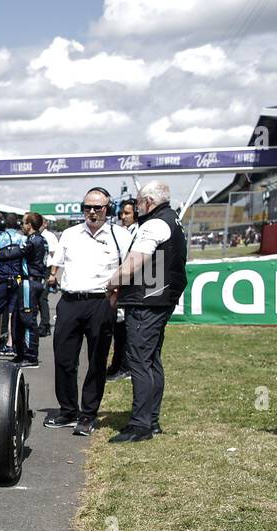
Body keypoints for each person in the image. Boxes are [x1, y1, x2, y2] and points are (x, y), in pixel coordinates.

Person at [44, 187, 133, 437]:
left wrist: (117, 297)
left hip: (101, 303)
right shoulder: (70, 234)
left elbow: (132, 267)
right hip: (70, 301)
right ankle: (67, 410)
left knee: (96, 360)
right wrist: (53, 279)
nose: (92, 212)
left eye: (98, 207)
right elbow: (58, 265)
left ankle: (88, 414)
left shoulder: (121, 235)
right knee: (63, 359)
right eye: (87, 207)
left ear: (108, 209)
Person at [106, 181, 187, 443]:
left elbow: (133, 264)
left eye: (139, 202)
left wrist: (110, 283)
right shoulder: (173, 220)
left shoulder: (153, 224)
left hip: (147, 301)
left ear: (149, 202)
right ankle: (150, 421)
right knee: (152, 361)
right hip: (160, 298)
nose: (136, 206)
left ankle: (140, 425)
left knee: (140, 361)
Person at [0, 211, 48, 368]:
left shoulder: (34, 240)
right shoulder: (38, 239)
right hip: (27, 282)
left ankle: (30, 356)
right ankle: (20, 353)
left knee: (27, 320)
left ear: (29, 225)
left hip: (30, 282)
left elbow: (15, 251)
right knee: (16, 319)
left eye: (24, 222)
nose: (22, 226)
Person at [106, 199, 140, 382]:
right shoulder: (122, 231)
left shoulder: (138, 232)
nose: (123, 217)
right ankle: (117, 363)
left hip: (129, 287)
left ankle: (125, 367)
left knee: (124, 332)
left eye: (127, 213)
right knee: (118, 330)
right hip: (120, 285)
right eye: (121, 213)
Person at [0, 212, 25, 355]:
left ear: (4, 224)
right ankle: (10, 344)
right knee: (12, 312)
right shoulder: (23, 239)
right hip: (17, 277)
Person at [37, 216, 60, 337]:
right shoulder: (38, 236)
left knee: (42, 298)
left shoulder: (49, 237)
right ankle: (42, 325)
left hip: (47, 269)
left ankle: (45, 325)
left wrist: (52, 274)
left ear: (45, 224)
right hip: (40, 269)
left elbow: (55, 255)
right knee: (39, 299)